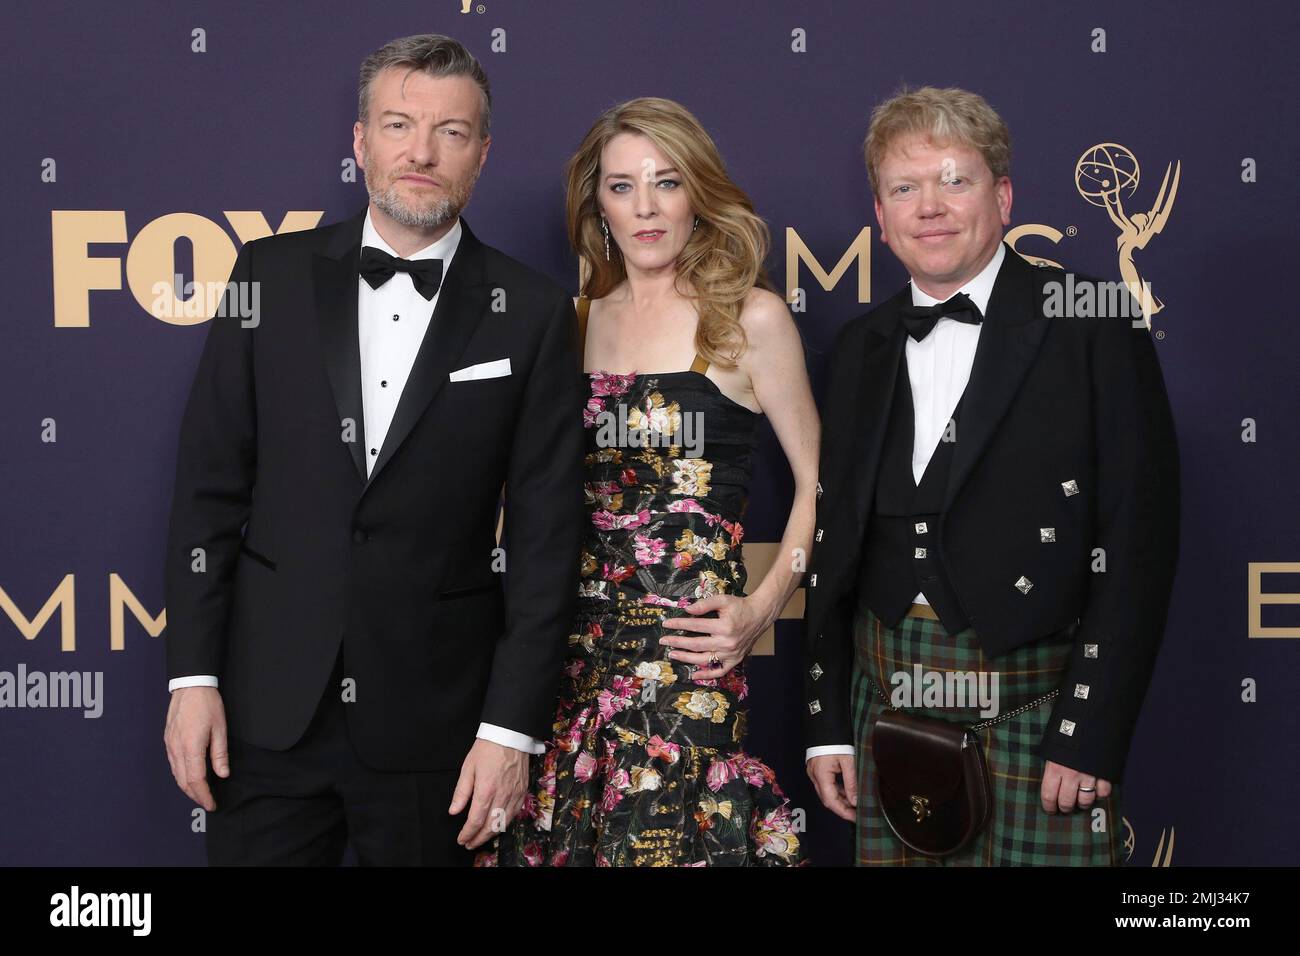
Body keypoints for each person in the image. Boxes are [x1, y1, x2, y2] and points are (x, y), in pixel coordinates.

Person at [161, 33, 585, 866]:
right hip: (265, 716)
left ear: (483, 153)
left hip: (441, 729)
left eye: (450, 132)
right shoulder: (266, 277)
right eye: (398, 125)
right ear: (360, 143)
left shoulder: (531, 312)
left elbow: (545, 538)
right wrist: (192, 680)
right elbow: (209, 491)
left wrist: (510, 730)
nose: (420, 152)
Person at [803, 86, 1179, 865]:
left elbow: (1137, 541)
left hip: (1039, 719)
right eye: (905, 188)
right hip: (887, 707)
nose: (930, 207)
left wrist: (1089, 730)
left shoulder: (1094, 320)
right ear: (880, 214)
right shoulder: (858, 347)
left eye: (955, 180)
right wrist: (826, 722)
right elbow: (833, 553)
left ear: (1003, 196)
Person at [477, 97, 818, 866]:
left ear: (697, 190)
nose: (647, 207)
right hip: (567, 651)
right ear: (596, 205)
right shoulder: (572, 320)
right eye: (623, 187)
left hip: (683, 660)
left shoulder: (749, 318)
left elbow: (817, 490)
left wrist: (761, 609)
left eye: (666, 182)